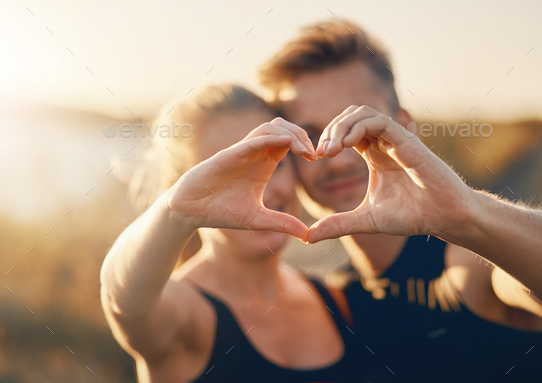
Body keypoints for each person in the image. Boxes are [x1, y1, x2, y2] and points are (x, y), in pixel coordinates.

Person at [259, 20, 542, 381]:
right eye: (311, 135)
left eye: (356, 126)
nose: (338, 158)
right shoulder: (338, 296)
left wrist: (470, 215)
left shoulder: (466, 264)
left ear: (404, 127)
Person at [100, 85, 370, 383]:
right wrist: (175, 212)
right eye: (231, 173)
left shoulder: (332, 298)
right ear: (181, 187)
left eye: (275, 164)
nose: (260, 192)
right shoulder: (183, 314)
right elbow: (123, 303)